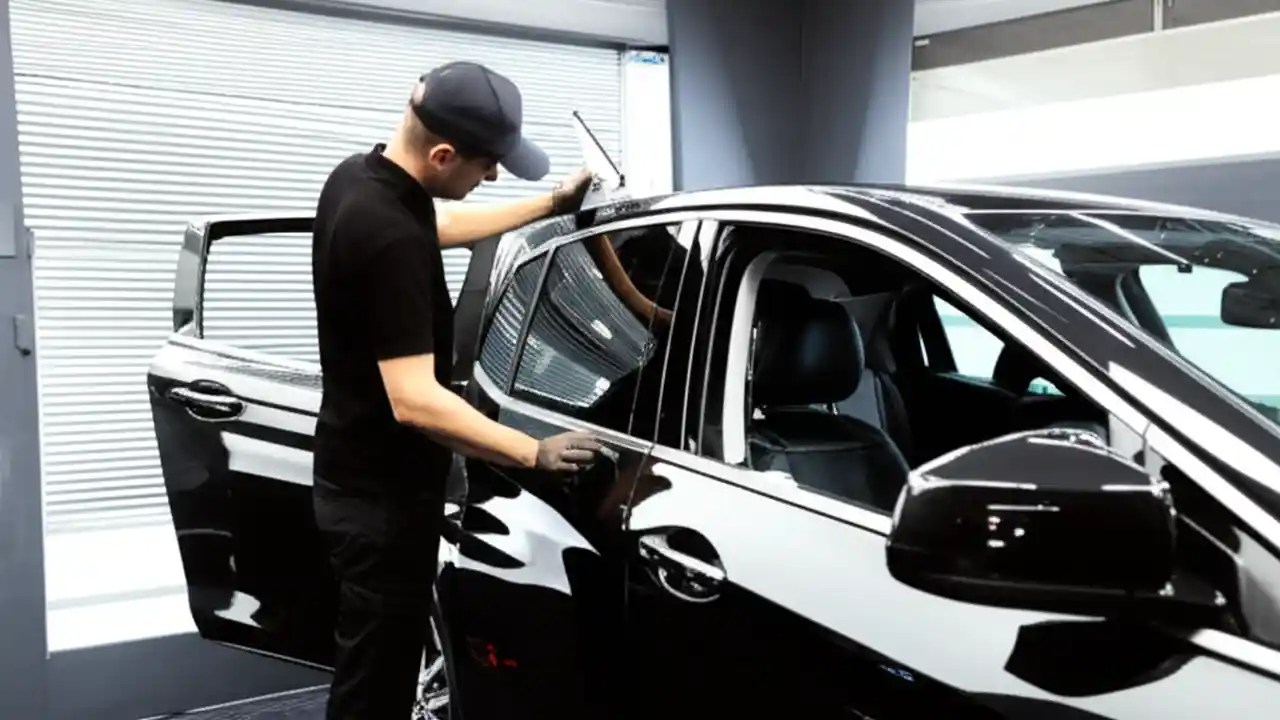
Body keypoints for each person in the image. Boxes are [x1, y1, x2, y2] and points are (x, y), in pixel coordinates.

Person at [310, 60, 603, 720]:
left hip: (356, 484)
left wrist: (550, 206)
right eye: (486, 165)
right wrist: (531, 451)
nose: (493, 176)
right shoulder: (384, 231)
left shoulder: (361, 180)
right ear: (442, 154)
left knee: (371, 669)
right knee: (373, 692)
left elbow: (431, 231)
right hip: (381, 512)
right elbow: (413, 399)